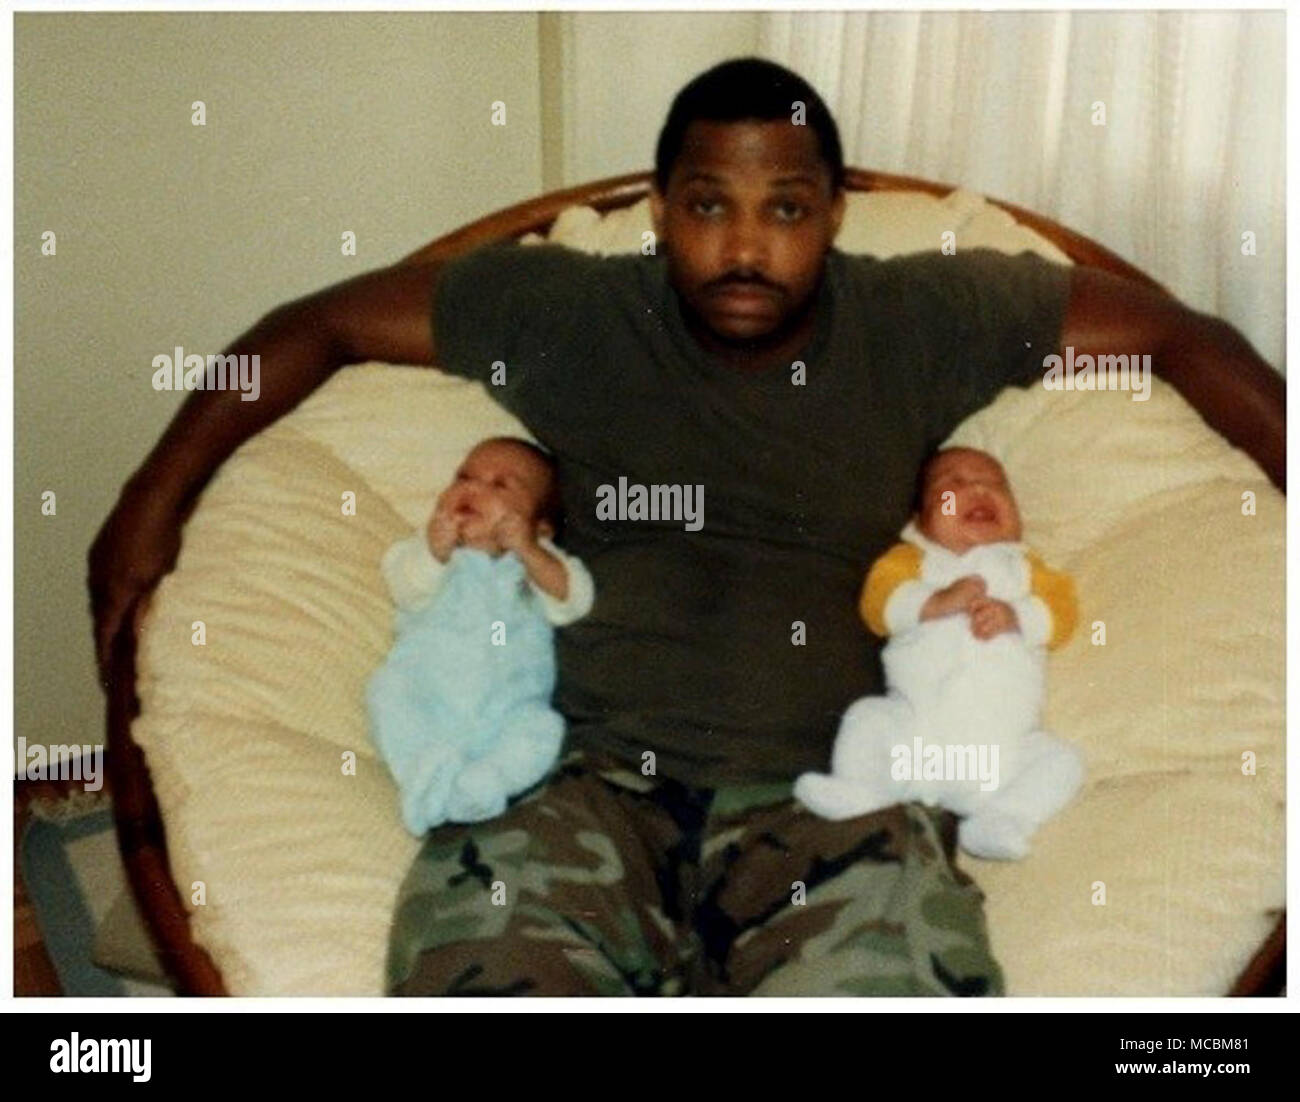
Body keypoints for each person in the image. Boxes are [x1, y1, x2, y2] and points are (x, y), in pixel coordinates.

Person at [88, 57, 1284, 996]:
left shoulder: (923, 315)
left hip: (834, 796)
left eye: (787, 208)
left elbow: (1185, 340)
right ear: (662, 210)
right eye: (709, 205)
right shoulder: (568, 313)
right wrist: (148, 509)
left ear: (835, 216)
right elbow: (319, 325)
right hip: (582, 780)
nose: (747, 246)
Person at [794, 447, 1083, 861]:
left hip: (1001, 756)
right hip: (915, 738)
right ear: (919, 521)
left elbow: (1063, 612)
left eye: (995, 484)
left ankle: (1004, 819)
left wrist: (1016, 616)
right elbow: (878, 604)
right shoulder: (912, 560)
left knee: (1062, 761)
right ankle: (862, 793)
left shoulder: (1026, 567)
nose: (978, 489)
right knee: (868, 717)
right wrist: (934, 603)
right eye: (955, 483)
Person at [368, 436, 594, 834]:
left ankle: (484, 783)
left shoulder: (538, 562)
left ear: (541, 527)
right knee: (387, 693)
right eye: (464, 476)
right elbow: (402, 586)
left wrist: (529, 551)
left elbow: (574, 600)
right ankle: (425, 776)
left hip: (508, 708)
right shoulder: (431, 551)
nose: (473, 488)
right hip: (427, 693)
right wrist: (434, 552)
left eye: (500, 486)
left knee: (543, 732)